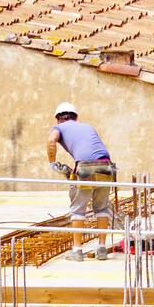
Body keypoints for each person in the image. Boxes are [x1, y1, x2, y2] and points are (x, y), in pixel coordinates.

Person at [47, 101, 116, 261]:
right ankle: (102, 249)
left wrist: (52, 163)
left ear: (58, 119)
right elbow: (90, 150)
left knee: (78, 210)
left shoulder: (59, 128)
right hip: (106, 166)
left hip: (85, 168)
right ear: (76, 117)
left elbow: (51, 141)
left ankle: (77, 251)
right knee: (102, 208)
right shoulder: (87, 127)